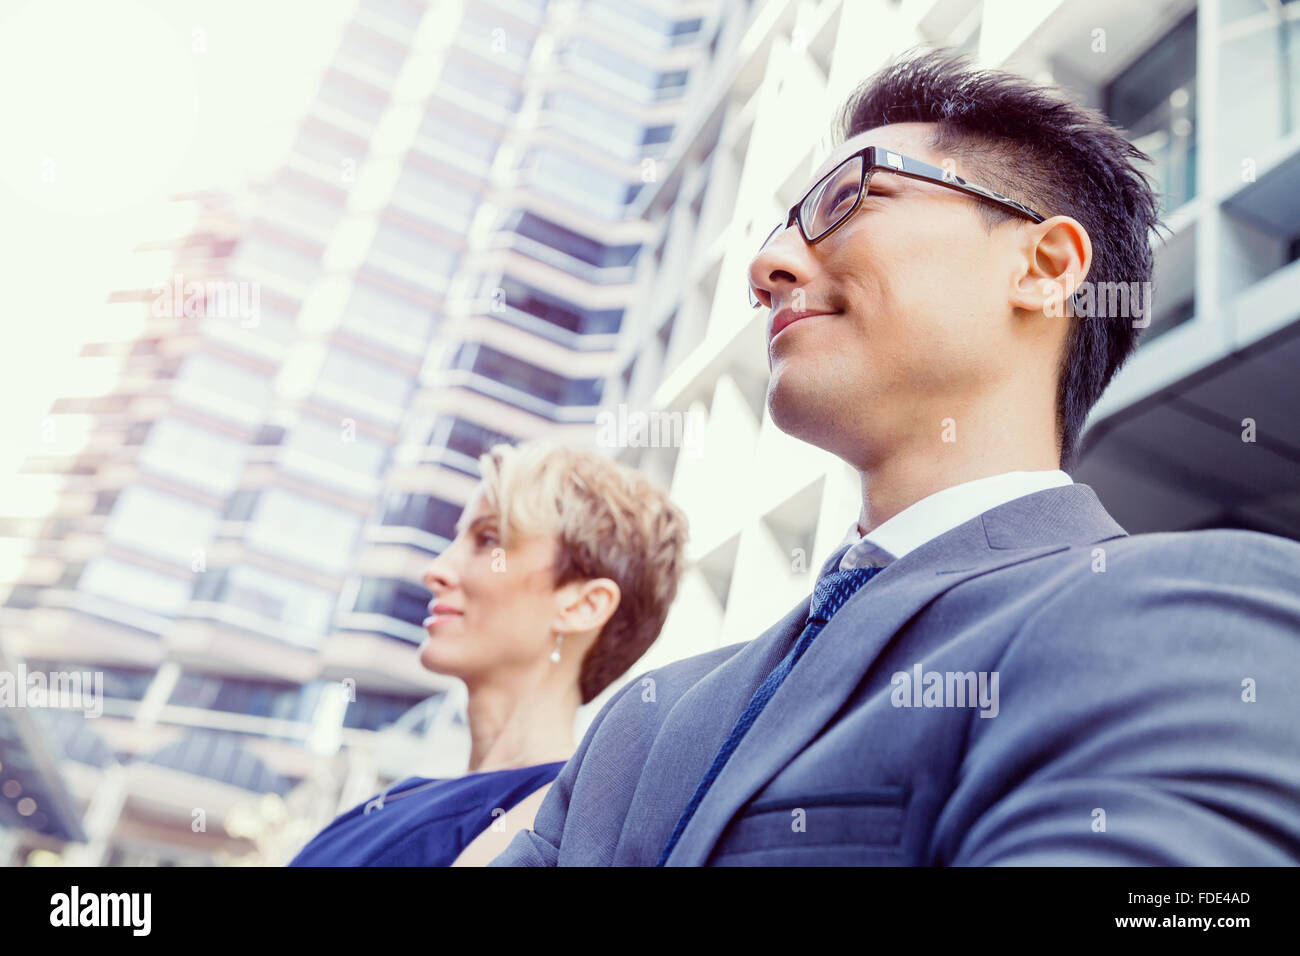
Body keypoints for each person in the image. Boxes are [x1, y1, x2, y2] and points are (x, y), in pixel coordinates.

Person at [489, 50, 1300, 866]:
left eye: (850, 199)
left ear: (1045, 268)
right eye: (777, 232)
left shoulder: (1187, 617)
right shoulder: (641, 726)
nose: (766, 269)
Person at [289, 439, 689, 866]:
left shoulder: (563, 829)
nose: (436, 570)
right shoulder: (394, 800)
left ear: (581, 605)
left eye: (488, 539)